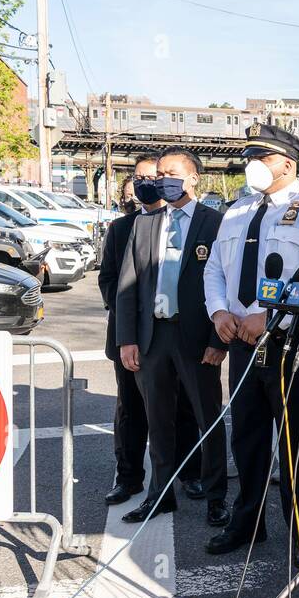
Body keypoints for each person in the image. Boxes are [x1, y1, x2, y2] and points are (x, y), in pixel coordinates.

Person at [202, 124, 299, 560]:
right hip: (242, 342)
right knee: (246, 438)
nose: (253, 167)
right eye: (250, 159)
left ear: (287, 163)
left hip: (290, 346)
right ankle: (248, 524)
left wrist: (272, 317)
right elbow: (215, 271)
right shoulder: (237, 211)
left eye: (261, 159)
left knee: (297, 447)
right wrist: (220, 311)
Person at [114, 148, 230, 527]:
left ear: (193, 178)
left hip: (195, 336)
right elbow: (127, 285)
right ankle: (160, 494)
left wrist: (218, 340)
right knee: (157, 420)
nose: (163, 178)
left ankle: (216, 497)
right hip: (153, 337)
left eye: (172, 172)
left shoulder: (216, 222)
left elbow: (225, 282)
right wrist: (127, 339)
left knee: (206, 418)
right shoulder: (145, 224)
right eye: (159, 172)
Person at [100, 159, 206, 508]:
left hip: (178, 334)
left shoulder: (187, 222)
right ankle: (129, 478)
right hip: (136, 335)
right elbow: (113, 282)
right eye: (142, 177)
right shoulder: (123, 227)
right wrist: (131, 326)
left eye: (155, 176)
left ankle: (189, 474)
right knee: (131, 409)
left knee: (186, 409)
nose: (149, 183)